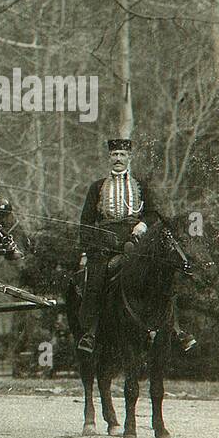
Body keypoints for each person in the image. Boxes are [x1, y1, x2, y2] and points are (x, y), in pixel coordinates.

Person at [76, 137, 194, 354]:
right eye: (114, 155)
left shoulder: (141, 185)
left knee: (162, 273)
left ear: (129, 158)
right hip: (106, 243)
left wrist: (142, 225)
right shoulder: (97, 187)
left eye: (122, 155)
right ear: (109, 158)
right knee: (95, 278)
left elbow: (153, 213)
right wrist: (86, 250)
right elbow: (86, 220)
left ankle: (177, 329)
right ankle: (90, 333)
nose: (118, 159)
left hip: (136, 241)